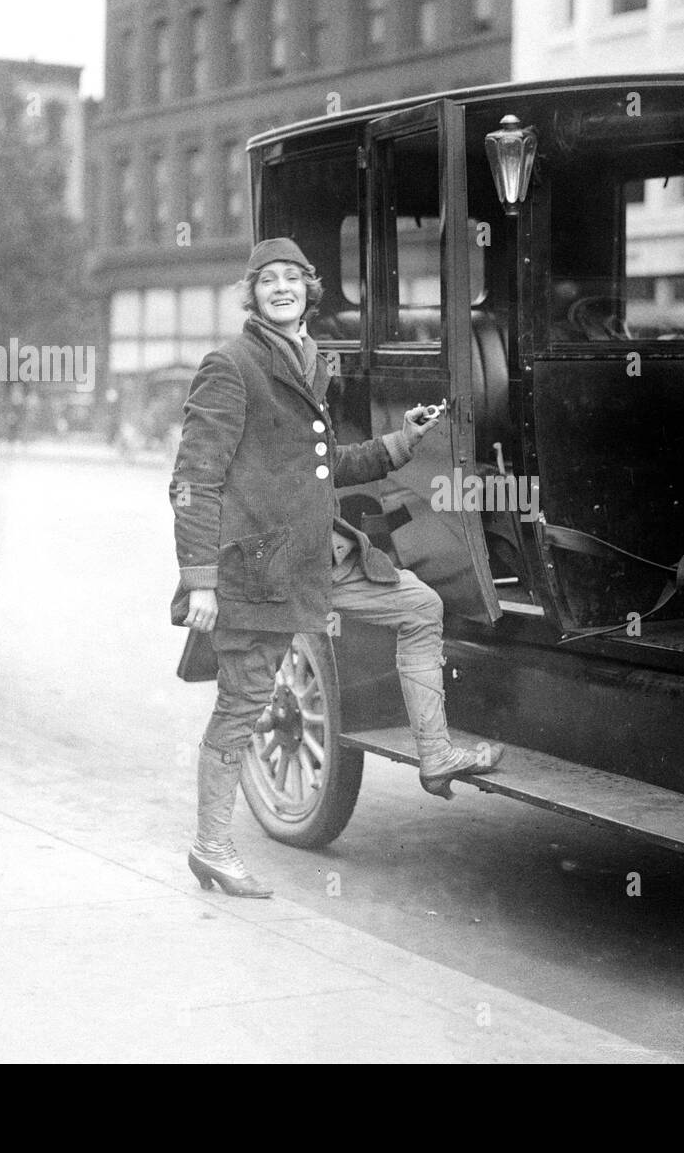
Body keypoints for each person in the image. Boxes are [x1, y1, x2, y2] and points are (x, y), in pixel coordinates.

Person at [170, 238, 503, 898]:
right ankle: (210, 847)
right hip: (260, 572)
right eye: (269, 279)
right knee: (242, 707)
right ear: (253, 295)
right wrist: (201, 579)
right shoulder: (231, 365)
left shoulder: (305, 358)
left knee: (420, 606)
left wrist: (403, 440)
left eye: (293, 277)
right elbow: (192, 481)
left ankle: (435, 754)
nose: (282, 287)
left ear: (309, 291)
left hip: (321, 555)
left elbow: (323, 469)